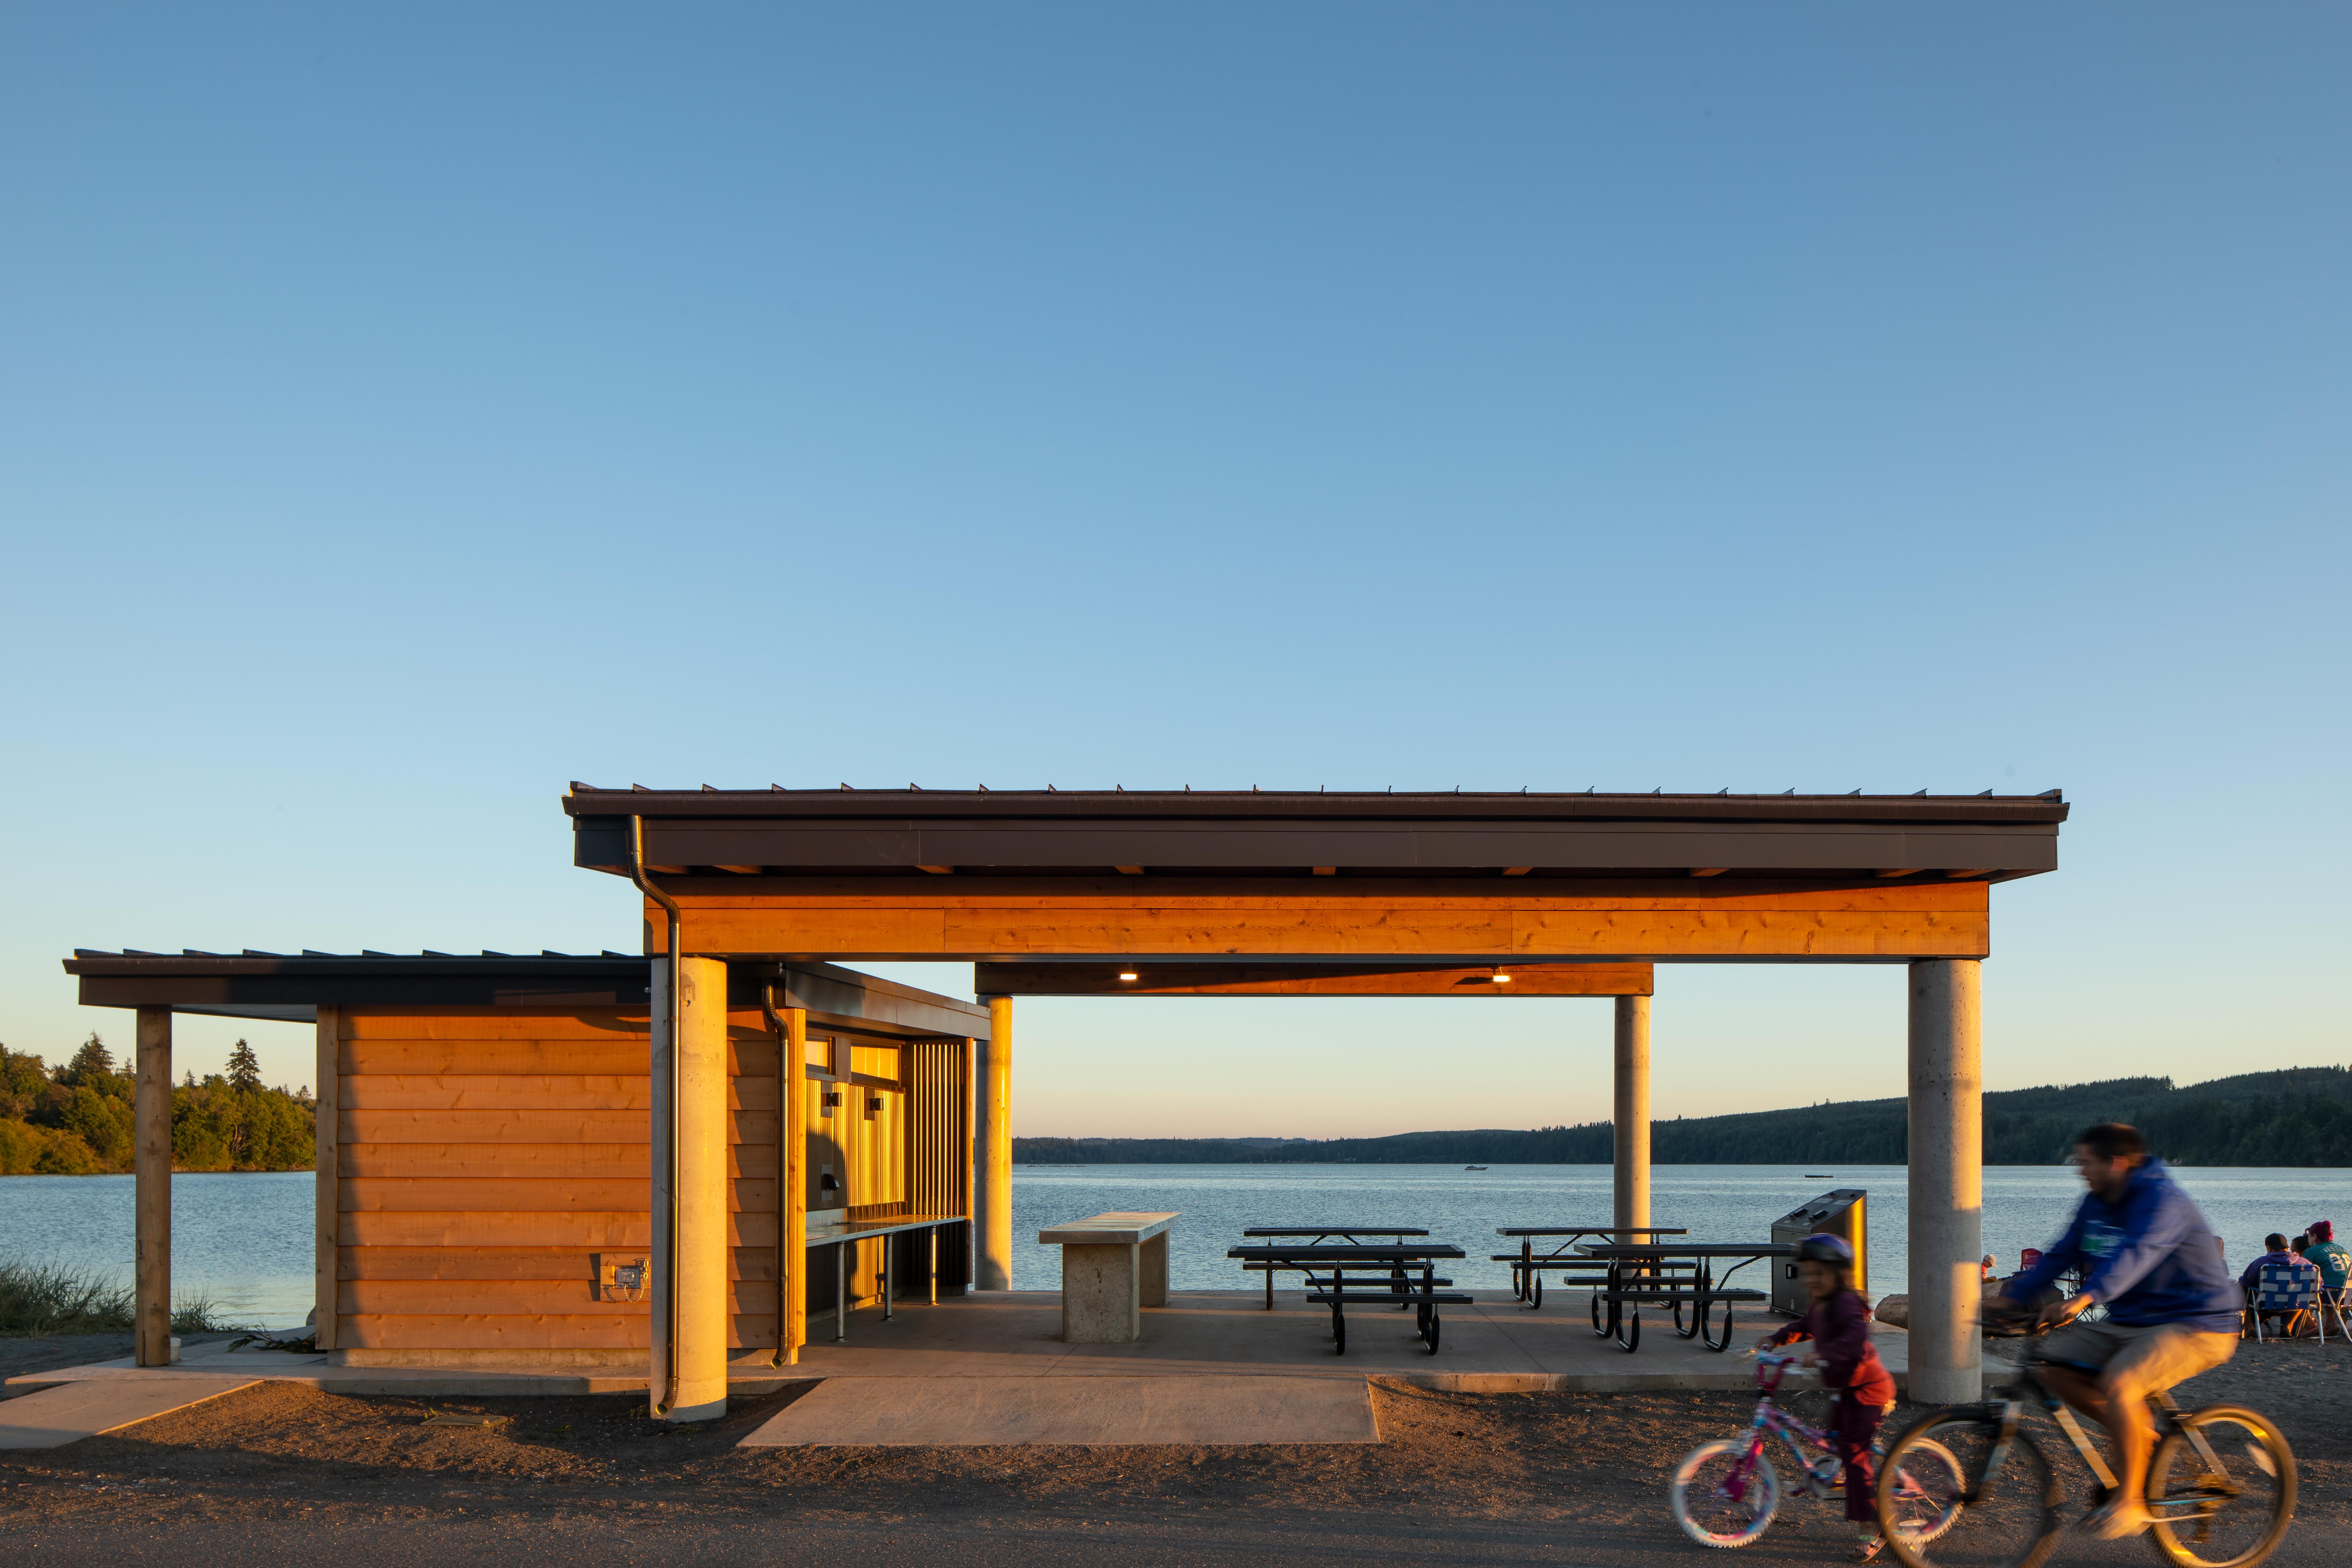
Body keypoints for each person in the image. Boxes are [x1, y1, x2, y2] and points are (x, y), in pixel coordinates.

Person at [1995, 1123, 2239, 1540]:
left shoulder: (2163, 1200)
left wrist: (2086, 1297)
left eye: (2086, 1162)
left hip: (2197, 1322)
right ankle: (2140, 1435)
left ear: (2116, 1162)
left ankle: (2130, 1503)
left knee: (2121, 1384)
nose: (2080, 1170)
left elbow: (2138, 1253)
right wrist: (2012, 1298)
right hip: (2133, 1321)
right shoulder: (2097, 1202)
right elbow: (2061, 1253)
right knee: (2051, 1367)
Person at [1755, 1233, 1896, 1560]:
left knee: (1855, 1455)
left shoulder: (1847, 1304)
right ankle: (1840, 1477)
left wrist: (1824, 1354)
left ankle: (1872, 1528)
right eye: (1809, 1273)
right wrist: (1775, 1339)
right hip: (1848, 1388)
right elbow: (1807, 1325)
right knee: (1831, 1432)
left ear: (1839, 1274)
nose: (1813, 1280)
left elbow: (1855, 1339)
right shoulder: (1821, 1304)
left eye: (1820, 1274)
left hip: (1869, 1390)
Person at [2240, 1233, 2318, 1337]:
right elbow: (2318, 1284)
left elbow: (2246, 1281)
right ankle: (2288, 1327)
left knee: (2242, 1288)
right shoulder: (2306, 1263)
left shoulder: (2261, 1262)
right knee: (2302, 1293)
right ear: (2287, 1248)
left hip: (2267, 1302)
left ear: (2268, 1248)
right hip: (2294, 1303)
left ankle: (2250, 1328)